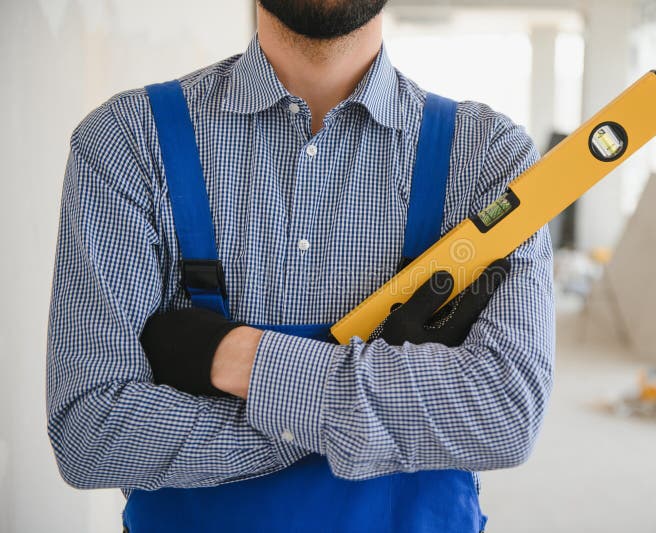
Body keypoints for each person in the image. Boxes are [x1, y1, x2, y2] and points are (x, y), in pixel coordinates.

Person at [46, 1, 555, 531]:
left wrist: (237, 358)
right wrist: (379, 416)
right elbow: (90, 429)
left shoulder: (489, 159)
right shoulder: (128, 142)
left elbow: (505, 414)